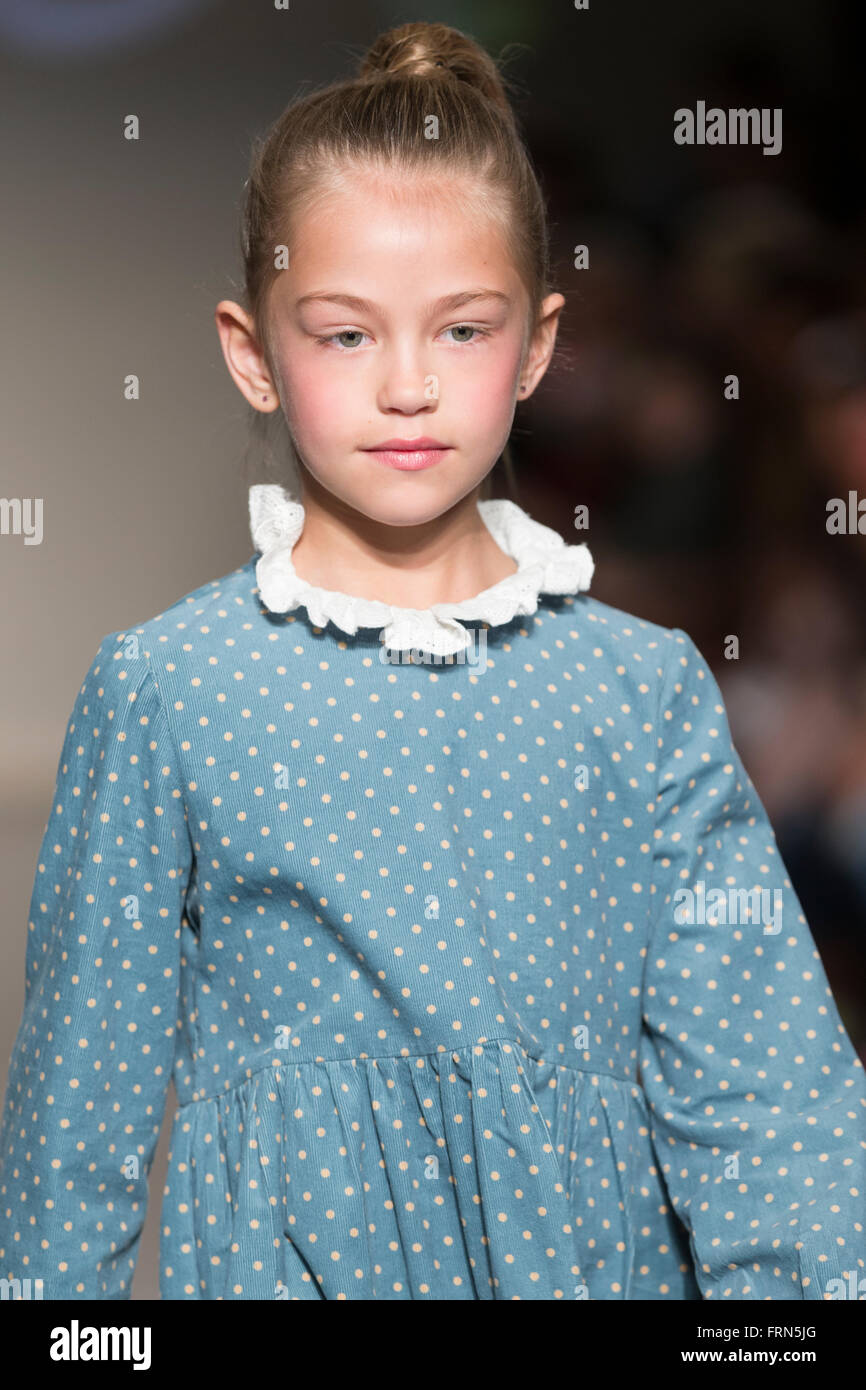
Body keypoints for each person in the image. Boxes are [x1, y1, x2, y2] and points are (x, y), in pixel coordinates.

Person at [1, 20, 864, 1303]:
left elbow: (762, 1086)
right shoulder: (170, 689)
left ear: (536, 344)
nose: (407, 384)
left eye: (460, 330)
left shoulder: (641, 692)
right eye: (345, 334)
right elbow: (81, 1106)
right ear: (252, 352)